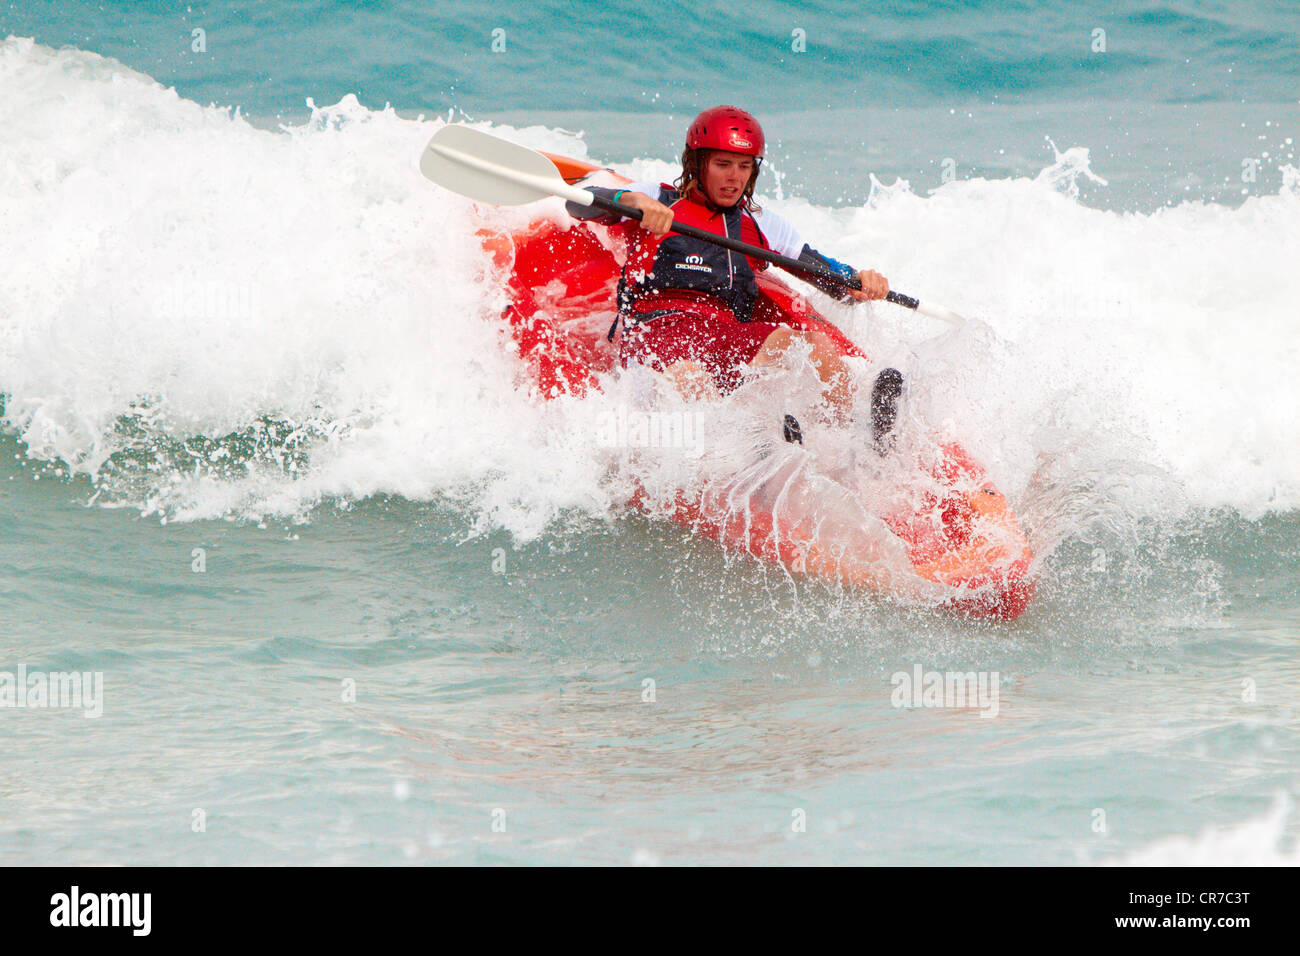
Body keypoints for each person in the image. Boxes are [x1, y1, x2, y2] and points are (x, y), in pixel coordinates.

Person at [565, 105, 904, 450]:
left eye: (744, 167)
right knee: (691, 378)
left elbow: (824, 273)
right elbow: (579, 205)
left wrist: (859, 281)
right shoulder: (655, 198)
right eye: (722, 165)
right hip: (656, 334)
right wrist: (630, 200)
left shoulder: (761, 225)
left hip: (725, 333)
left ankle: (857, 439)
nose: (734, 178)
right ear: (696, 164)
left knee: (813, 347)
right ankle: (747, 449)